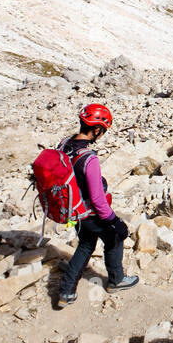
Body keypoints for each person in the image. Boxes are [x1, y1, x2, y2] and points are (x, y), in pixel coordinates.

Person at [55, 103, 139, 308]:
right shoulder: (88, 158)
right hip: (89, 212)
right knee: (115, 237)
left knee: (86, 244)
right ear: (97, 129)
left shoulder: (64, 144)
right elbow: (98, 200)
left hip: (72, 209)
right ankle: (116, 280)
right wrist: (115, 221)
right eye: (103, 131)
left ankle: (66, 292)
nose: (102, 135)